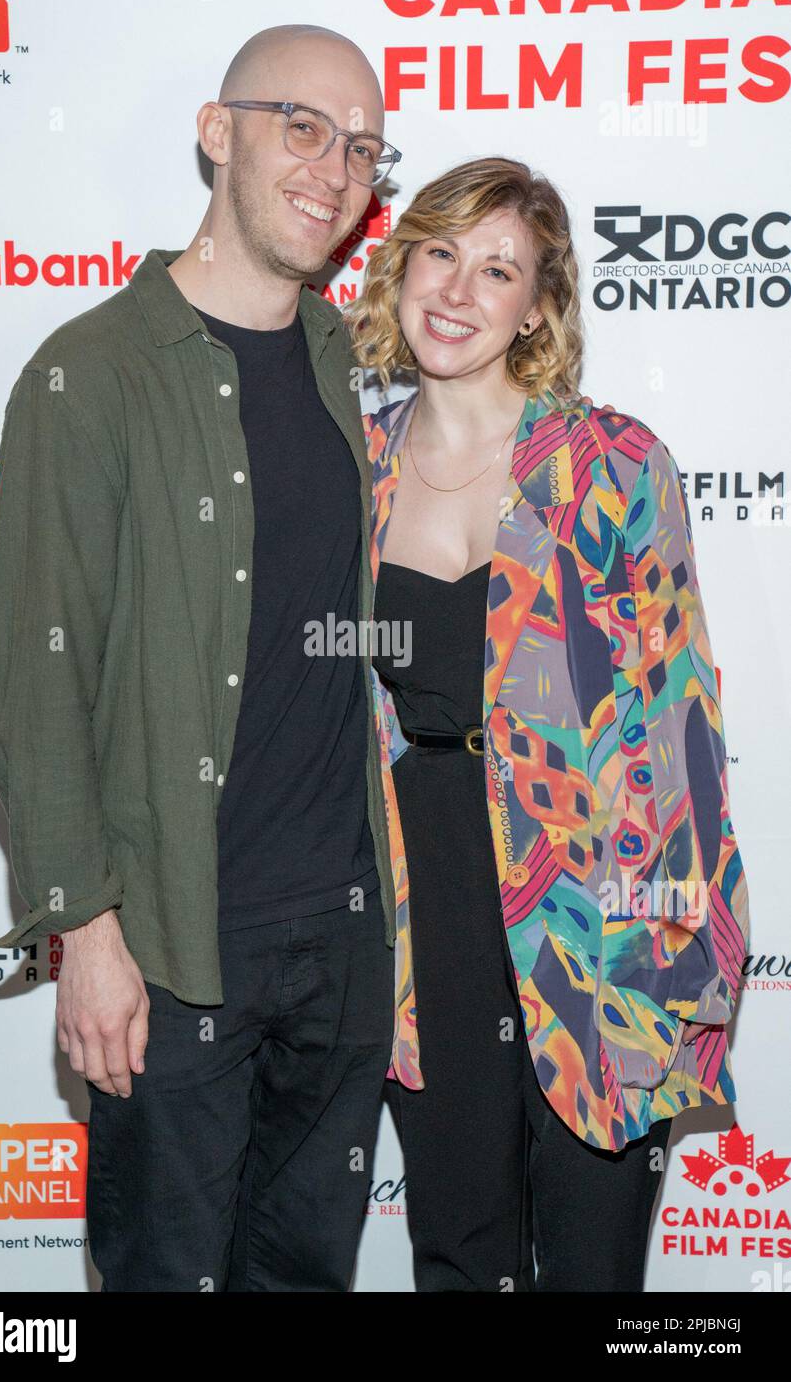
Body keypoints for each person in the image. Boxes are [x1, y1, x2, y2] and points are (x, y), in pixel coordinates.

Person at [0, 24, 405, 1292]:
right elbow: (39, 677)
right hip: (173, 944)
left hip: (339, 945)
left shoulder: (346, 364)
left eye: (364, 148)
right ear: (218, 135)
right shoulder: (90, 374)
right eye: (302, 126)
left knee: (302, 1276)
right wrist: (86, 932)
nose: (334, 170)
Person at [345, 156, 750, 1292]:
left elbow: (679, 732)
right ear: (400, 263)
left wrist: (674, 954)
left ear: (537, 306)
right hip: (419, 907)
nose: (458, 291)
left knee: (590, 1256)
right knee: (456, 1246)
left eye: (497, 269)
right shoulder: (354, 466)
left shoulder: (613, 465)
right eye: (439, 253)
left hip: (592, 907)